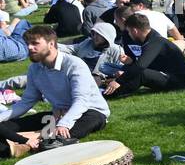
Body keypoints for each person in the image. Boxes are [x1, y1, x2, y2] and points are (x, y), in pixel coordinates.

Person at [0, 26, 110, 157]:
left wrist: (64, 123)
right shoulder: (34, 69)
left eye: (35, 43)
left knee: (66, 134)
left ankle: (27, 143)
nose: (29, 47)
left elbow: (81, 101)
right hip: (58, 115)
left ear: (51, 44)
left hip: (89, 112)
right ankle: (30, 139)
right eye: (28, 44)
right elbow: (26, 102)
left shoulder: (74, 65)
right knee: (8, 125)